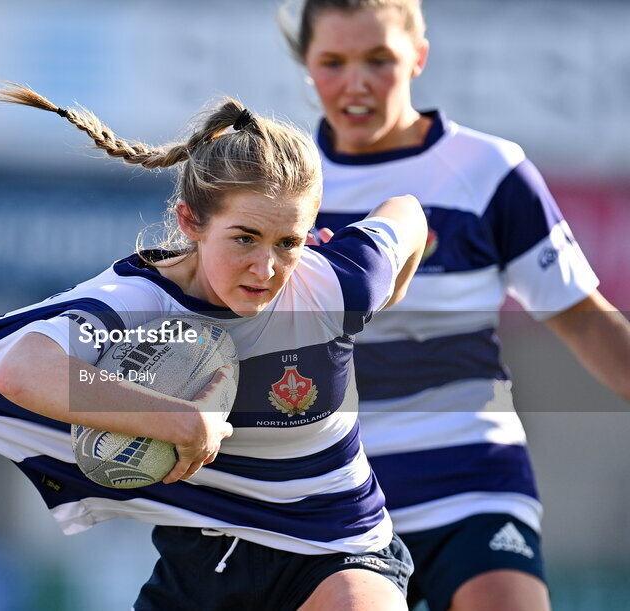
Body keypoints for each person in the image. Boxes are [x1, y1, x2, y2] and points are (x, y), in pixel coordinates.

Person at [0, 83, 428, 610]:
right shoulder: (135, 301)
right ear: (190, 221)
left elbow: (409, 212)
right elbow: (23, 370)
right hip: (201, 565)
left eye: (287, 242)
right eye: (244, 237)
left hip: (340, 548)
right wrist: (179, 423)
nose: (265, 268)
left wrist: (384, 296)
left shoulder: (340, 284)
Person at [278, 1, 630, 609]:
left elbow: (584, 320)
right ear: (307, 67)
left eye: (379, 59)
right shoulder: (282, 187)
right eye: (334, 61)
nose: (356, 82)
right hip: (334, 493)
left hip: (473, 477)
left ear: (418, 57)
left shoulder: (488, 170)